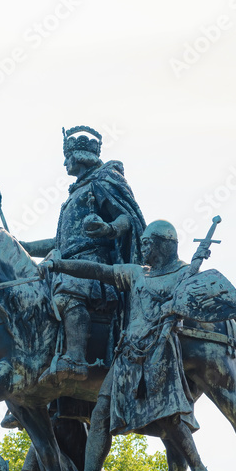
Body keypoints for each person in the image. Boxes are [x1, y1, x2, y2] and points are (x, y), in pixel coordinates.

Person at [38, 220, 212, 471]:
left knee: (171, 416)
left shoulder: (184, 274)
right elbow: (98, 270)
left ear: (164, 245)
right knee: (100, 415)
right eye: (141, 242)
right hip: (128, 355)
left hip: (160, 354)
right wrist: (59, 265)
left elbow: (195, 305)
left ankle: (200, 470)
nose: (142, 247)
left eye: (147, 243)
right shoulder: (136, 273)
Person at [21, 126, 146, 383]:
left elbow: (126, 217)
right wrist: (22, 246)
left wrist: (108, 228)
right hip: (66, 261)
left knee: (68, 293)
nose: (65, 163)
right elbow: (59, 241)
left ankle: (76, 358)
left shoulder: (102, 181)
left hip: (92, 262)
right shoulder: (76, 192)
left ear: (80, 156)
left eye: (68, 157)